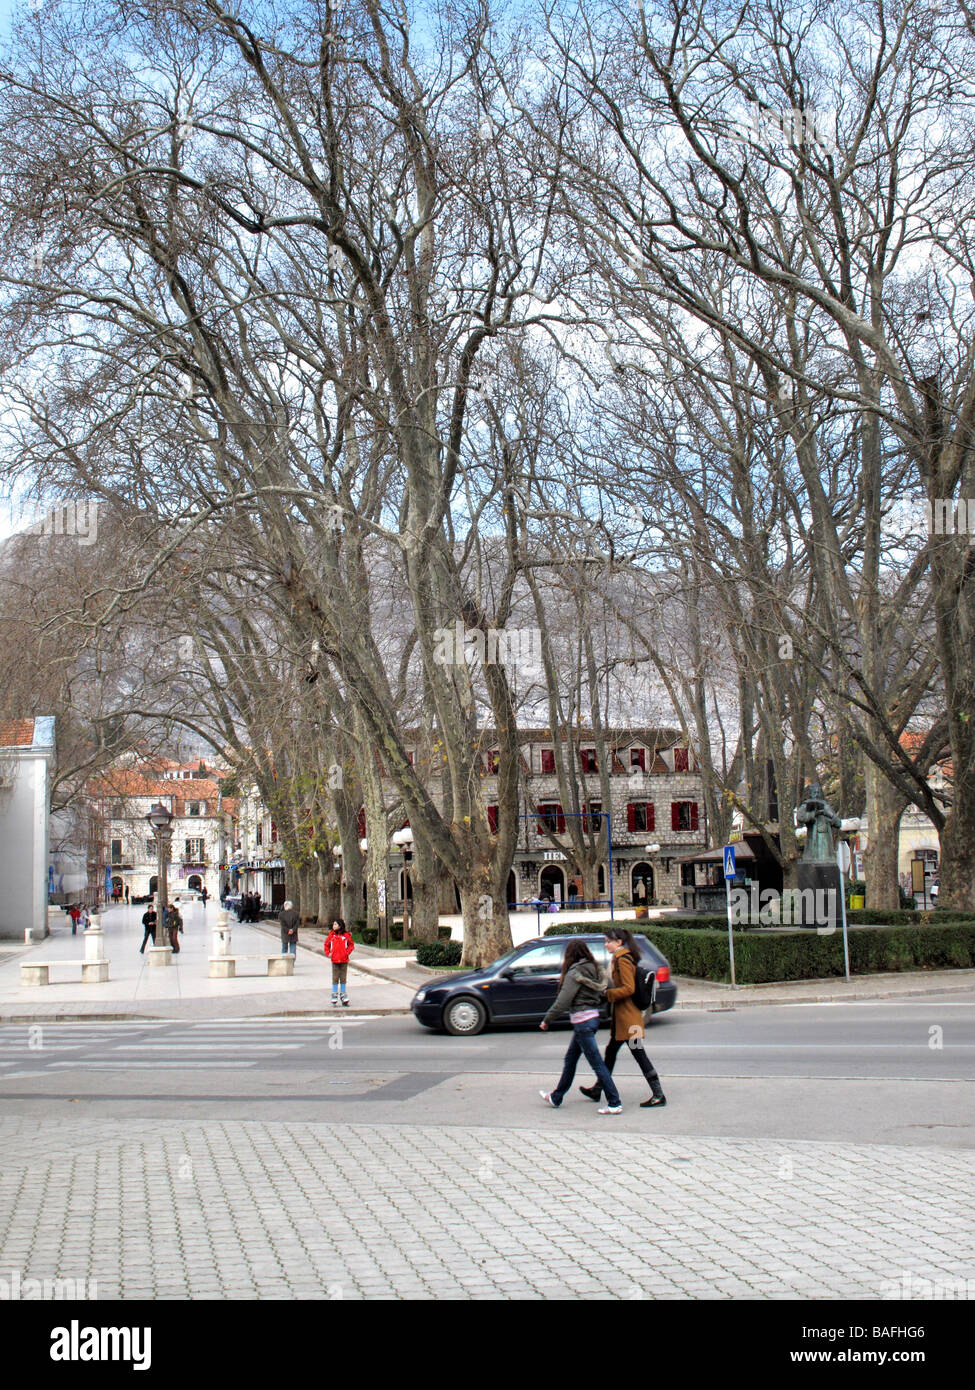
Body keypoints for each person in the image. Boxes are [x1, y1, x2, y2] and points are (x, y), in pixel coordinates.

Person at [580, 927, 666, 1109]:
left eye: (608, 941)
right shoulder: (619, 958)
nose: (605, 944)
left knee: (639, 1054)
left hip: (630, 1020)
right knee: (610, 1053)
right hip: (622, 1020)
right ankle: (598, 1089)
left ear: (618, 942)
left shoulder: (623, 960)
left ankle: (658, 1095)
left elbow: (629, 988)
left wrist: (608, 993)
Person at [539, 939, 623, 1114]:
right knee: (570, 1060)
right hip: (591, 1019)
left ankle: (614, 1102)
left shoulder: (574, 973)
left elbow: (563, 1001)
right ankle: (557, 1096)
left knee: (597, 1064)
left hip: (582, 1021)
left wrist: (547, 1020)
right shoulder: (595, 968)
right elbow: (609, 988)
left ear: (570, 955)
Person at [323, 918, 355, 1006]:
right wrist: (328, 953)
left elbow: (351, 945)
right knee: (335, 978)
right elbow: (326, 944)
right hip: (335, 959)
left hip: (344, 959)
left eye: (335, 924)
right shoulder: (332, 936)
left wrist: (347, 952)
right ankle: (334, 994)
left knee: (343, 978)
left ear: (340, 926)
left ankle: (343, 994)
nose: (334, 926)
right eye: (333, 924)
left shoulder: (346, 935)